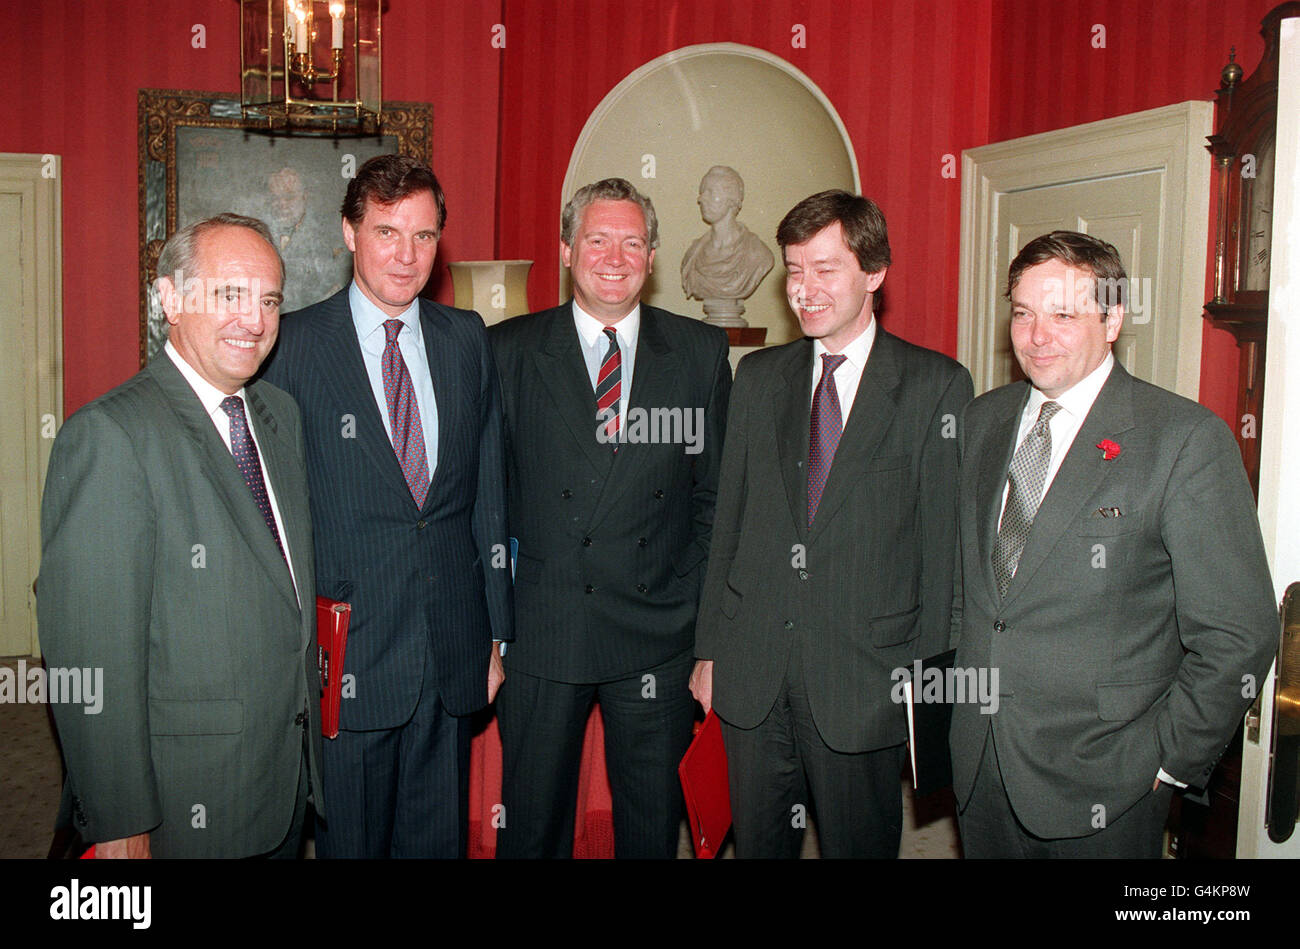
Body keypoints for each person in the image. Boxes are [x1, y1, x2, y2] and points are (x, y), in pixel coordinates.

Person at [948, 230, 1277, 858]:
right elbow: (976, 593)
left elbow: (1240, 631)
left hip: (1108, 778)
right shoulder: (981, 421)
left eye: (1063, 314)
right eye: (1023, 312)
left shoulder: (1183, 440)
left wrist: (1168, 762)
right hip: (980, 763)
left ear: (1114, 318)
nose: (1036, 335)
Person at [693, 190, 972, 858]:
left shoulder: (935, 386)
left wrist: (930, 697)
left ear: (873, 272)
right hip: (753, 674)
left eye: (825, 269)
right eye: (794, 270)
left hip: (866, 684)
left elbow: (944, 561)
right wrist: (708, 651)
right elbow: (726, 523)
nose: (803, 289)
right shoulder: (758, 378)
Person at [38, 213, 322, 858]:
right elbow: (88, 653)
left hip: (281, 782)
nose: (254, 320)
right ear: (169, 298)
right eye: (229, 294)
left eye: (269, 300)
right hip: (178, 803)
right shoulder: (110, 436)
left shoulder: (279, 417)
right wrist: (118, 820)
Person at [260, 154, 513, 858]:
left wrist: (497, 632)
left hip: (450, 648)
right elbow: (270, 514)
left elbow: (487, 492)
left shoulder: (467, 339)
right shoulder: (291, 346)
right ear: (348, 232)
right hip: (346, 657)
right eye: (386, 231)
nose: (407, 255)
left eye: (425, 236)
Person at [490, 178, 731, 858]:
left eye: (632, 241)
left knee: (651, 828)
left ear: (652, 256)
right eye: (597, 239)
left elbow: (713, 502)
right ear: (567, 249)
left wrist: (702, 634)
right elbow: (485, 502)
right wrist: (492, 628)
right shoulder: (506, 350)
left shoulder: (699, 355)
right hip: (543, 629)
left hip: (658, 630)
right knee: (531, 827)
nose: (614, 256)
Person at [680, 165, 774, 303]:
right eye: (702, 192)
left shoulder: (757, 254)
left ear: (732, 198)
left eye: (711, 192)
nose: (701, 198)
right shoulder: (693, 255)